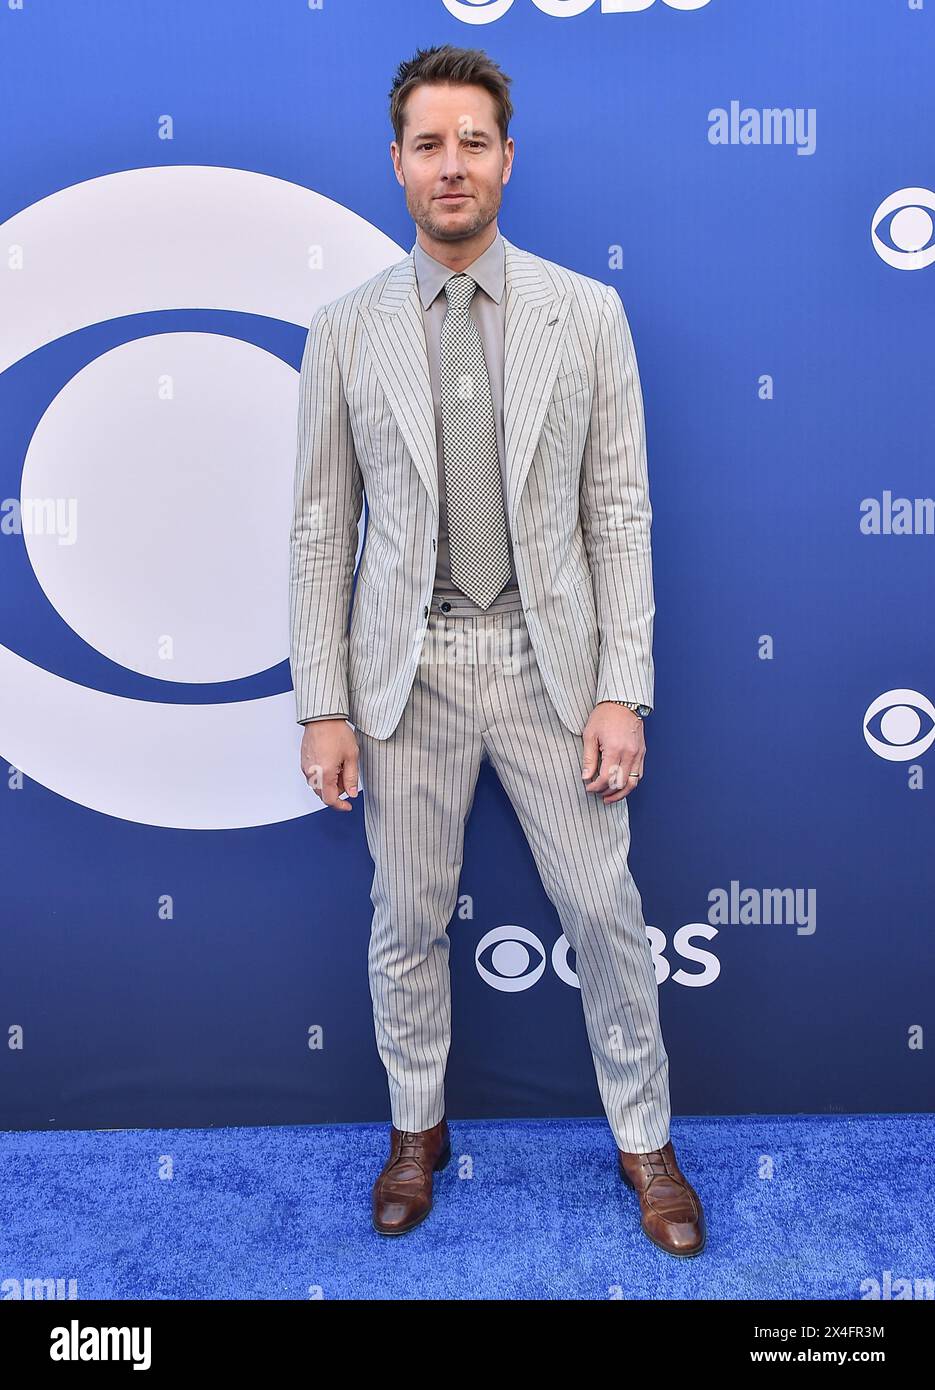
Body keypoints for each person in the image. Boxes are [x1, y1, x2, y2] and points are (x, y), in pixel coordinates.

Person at [289, 43, 705, 1258]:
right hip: (401, 675)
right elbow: (321, 525)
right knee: (405, 920)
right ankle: (414, 1134)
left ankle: (646, 1146)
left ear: (507, 160)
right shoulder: (343, 329)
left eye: (473, 141)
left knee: (604, 914)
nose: (451, 164)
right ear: (398, 165)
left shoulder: (588, 313)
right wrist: (323, 700)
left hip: (548, 664)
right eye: (429, 143)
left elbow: (616, 512)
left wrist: (620, 686)